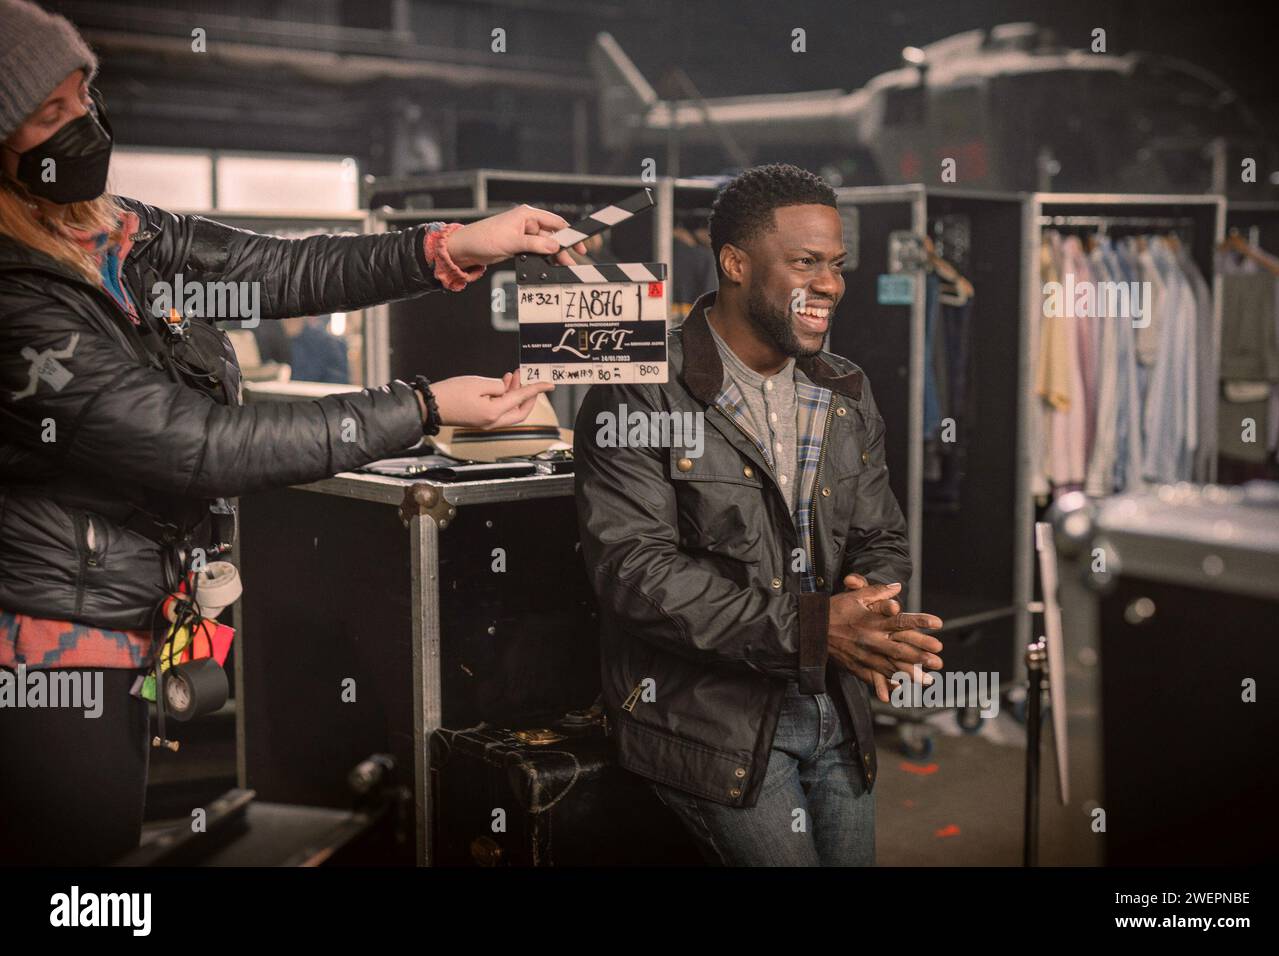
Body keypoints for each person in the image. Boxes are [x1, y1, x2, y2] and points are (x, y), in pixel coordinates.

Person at [0, 0, 586, 865]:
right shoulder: (17, 298)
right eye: (52, 115)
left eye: (84, 96)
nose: (85, 123)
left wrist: (453, 245)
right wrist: (423, 407)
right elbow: (197, 442)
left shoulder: (115, 233)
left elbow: (272, 268)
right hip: (48, 642)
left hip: (130, 608)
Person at [575, 164, 945, 866]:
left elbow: (880, 535)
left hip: (836, 710)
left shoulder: (845, 387)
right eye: (805, 262)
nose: (830, 284)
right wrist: (814, 630)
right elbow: (635, 573)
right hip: (710, 724)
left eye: (836, 264)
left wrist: (870, 606)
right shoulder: (641, 392)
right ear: (736, 263)